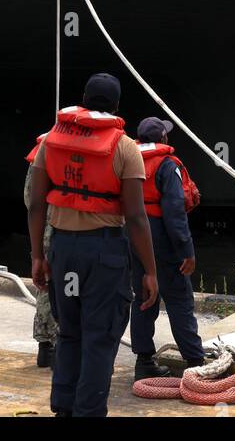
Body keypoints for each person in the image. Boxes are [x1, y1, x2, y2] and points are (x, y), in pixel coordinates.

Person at [28, 72, 158, 417]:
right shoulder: (124, 146)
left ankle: (64, 409)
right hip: (104, 254)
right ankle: (89, 412)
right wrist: (149, 271)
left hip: (62, 249)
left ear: (83, 99)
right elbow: (136, 217)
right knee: (100, 339)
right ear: (116, 106)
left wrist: (37, 257)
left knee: (70, 333)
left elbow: (37, 204)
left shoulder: (51, 142)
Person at [129, 117, 206, 379]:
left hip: (132, 236)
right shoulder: (167, 166)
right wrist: (187, 250)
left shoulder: (127, 161)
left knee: (142, 298)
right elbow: (174, 212)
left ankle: (143, 361)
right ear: (163, 139)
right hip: (161, 237)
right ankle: (195, 361)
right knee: (179, 299)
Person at [24, 131, 58, 366]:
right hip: (63, 229)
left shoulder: (41, 154)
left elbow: (30, 198)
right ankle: (59, 344)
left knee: (44, 288)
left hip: (44, 228)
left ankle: (44, 347)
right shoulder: (70, 154)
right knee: (66, 288)